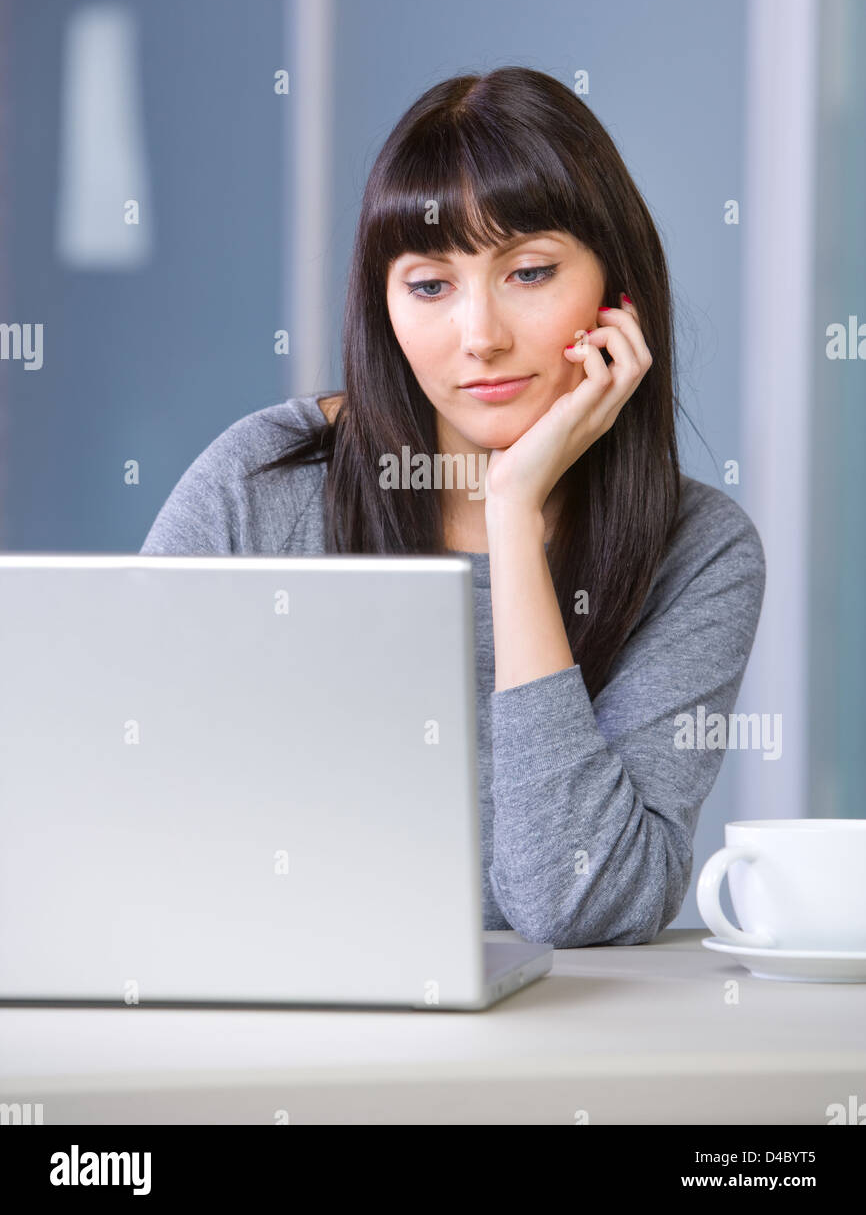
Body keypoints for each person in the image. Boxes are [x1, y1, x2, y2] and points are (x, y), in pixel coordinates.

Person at [141, 66, 765, 948]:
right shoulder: (261, 484)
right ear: (383, 306)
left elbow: (575, 902)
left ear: (616, 291)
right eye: (430, 285)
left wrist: (512, 513)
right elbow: (110, 805)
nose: (481, 337)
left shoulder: (700, 553)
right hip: (265, 1015)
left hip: (570, 1057)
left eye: (531, 272)